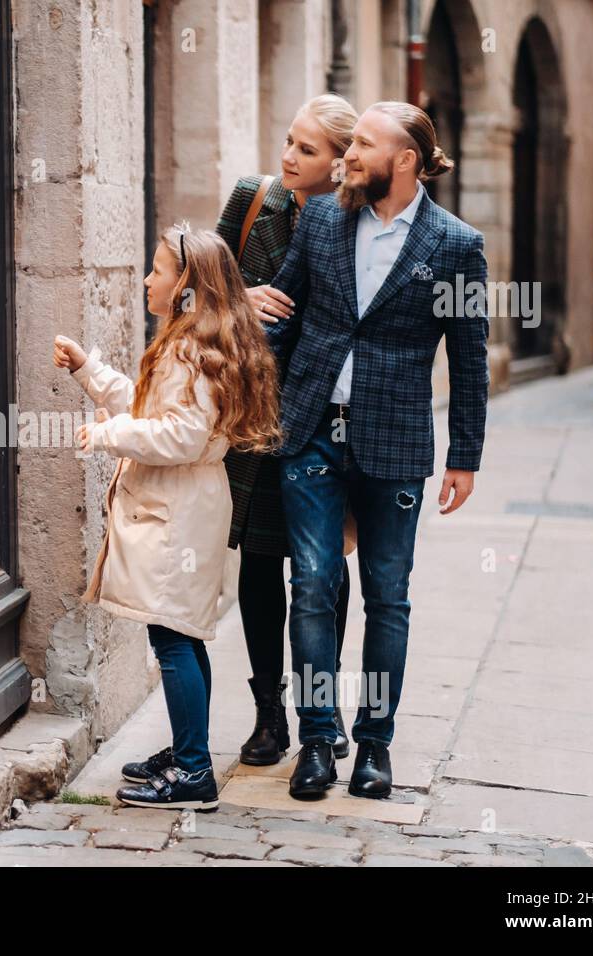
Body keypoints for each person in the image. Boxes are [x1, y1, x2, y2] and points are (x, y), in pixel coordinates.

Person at [250, 102, 489, 799]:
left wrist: (465, 455)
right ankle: (318, 742)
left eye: (362, 145)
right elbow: (280, 311)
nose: (348, 155)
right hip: (313, 429)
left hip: (397, 440)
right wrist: (246, 315)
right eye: (348, 143)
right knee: (315, 585)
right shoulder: (323, 219)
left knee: (388, 598)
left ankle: (375, 745)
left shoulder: (454, 246)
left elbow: (469, 359)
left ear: (406, 160)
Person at [54, 224, 281, 810]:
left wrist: (108, 434)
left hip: (180, 512)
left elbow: (182, 435)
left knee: (174, 640)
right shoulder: (191, 342)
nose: (148, 278)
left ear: (186, 285)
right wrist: (88, 371)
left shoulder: (190, 350)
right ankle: (189, 749)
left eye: (157, 269)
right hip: (183, 506)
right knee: (180, 634)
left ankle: (193, 771)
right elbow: (148, 406)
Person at [215, 93, 358, 768]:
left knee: (325, 571)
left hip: (328, 421)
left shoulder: (358, 224)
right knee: (261, 562)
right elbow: (191, 292)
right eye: (289, 141)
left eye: (308, 149)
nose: (289, 157)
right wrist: (237, 298)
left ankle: (320, 717)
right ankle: (269, 714)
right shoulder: (252, 202)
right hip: (255, 420)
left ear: (340, 164)